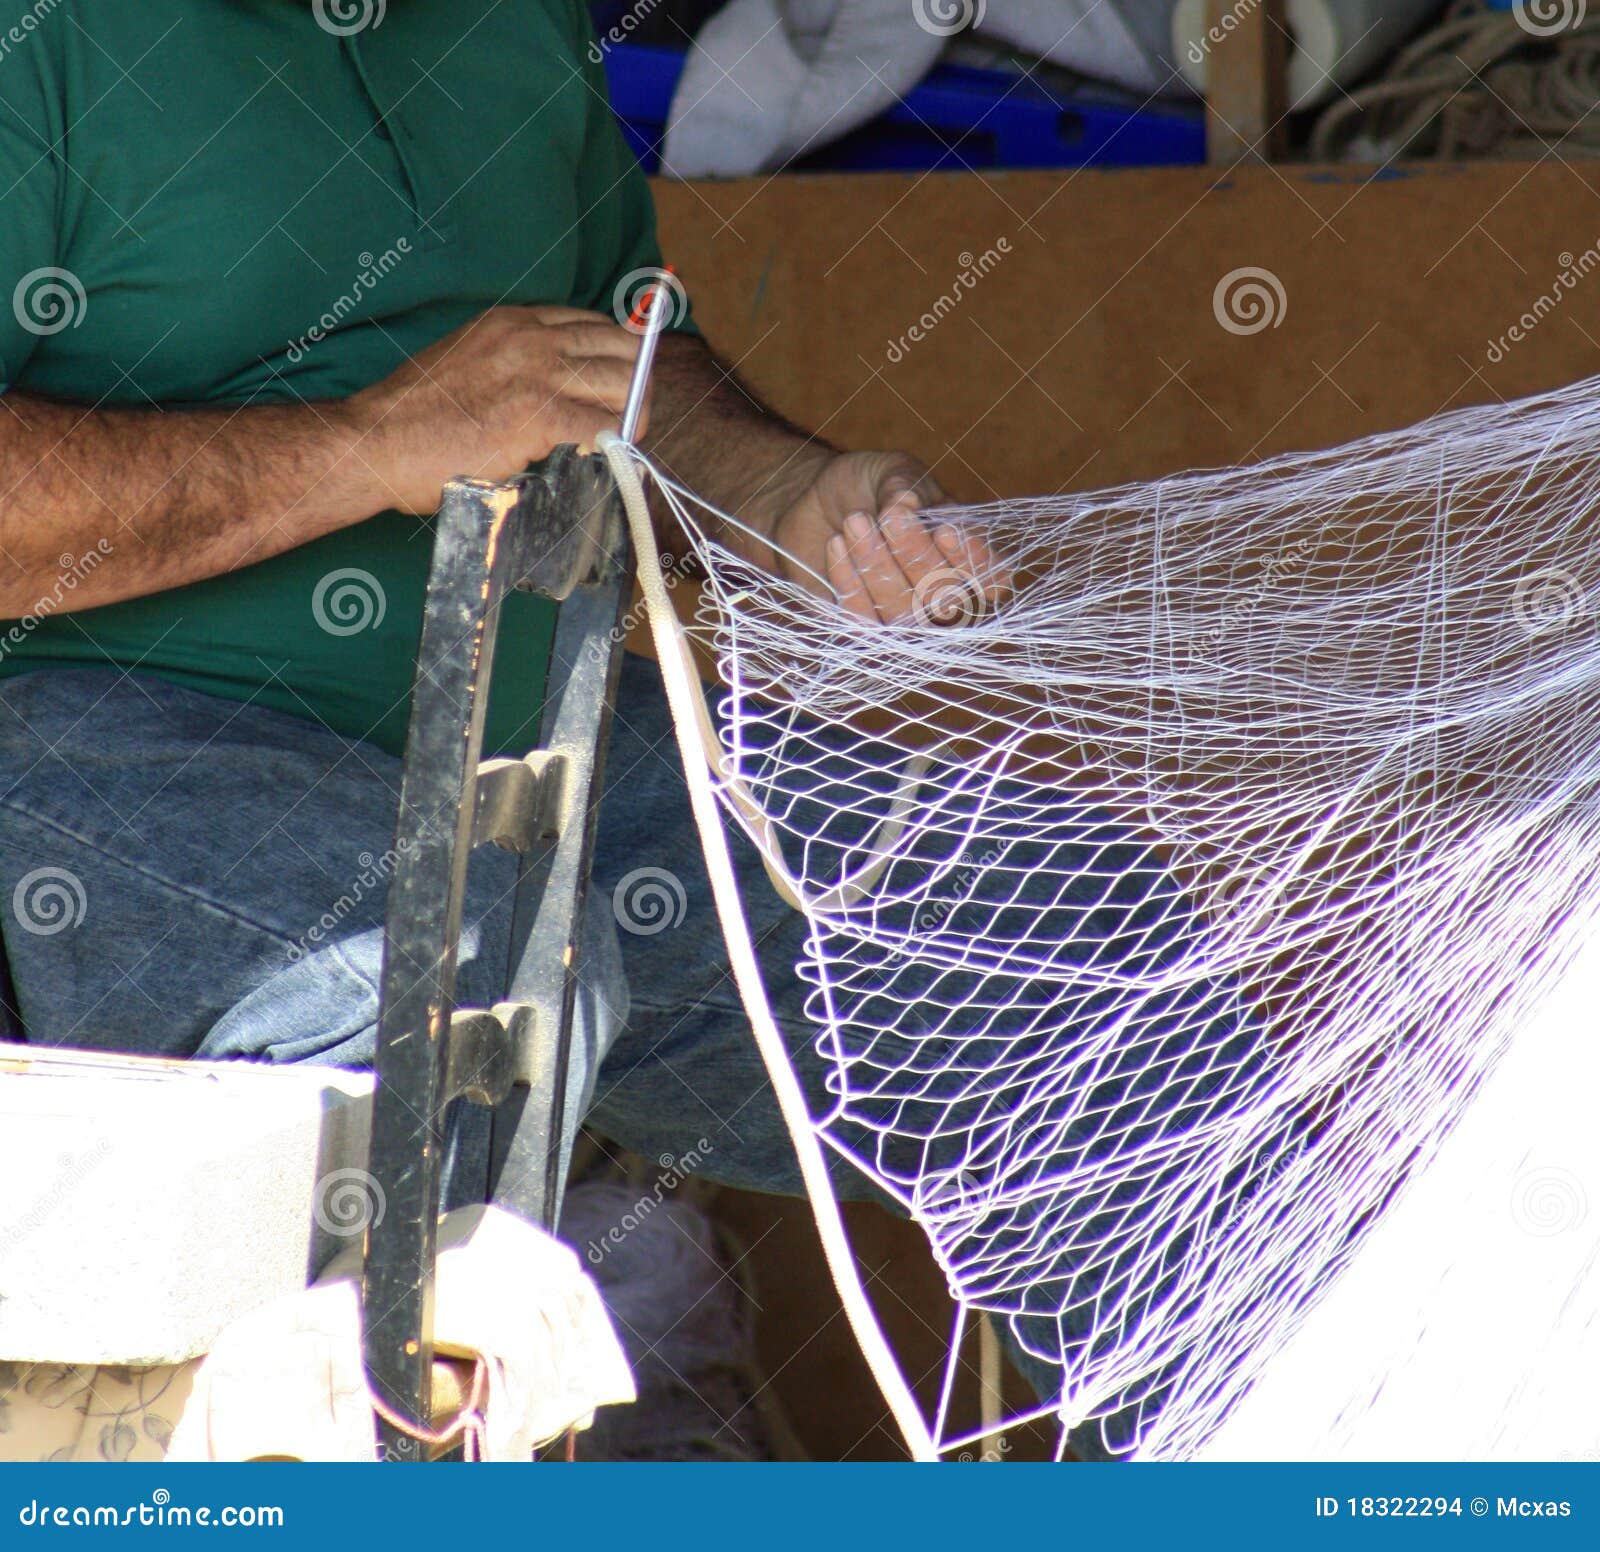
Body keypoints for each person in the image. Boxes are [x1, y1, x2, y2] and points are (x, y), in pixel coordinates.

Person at [0, 0, 1032, 1448]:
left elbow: (609, 359)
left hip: (545, 731)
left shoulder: (510, 24)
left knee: (1036, 926)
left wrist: (787, 491)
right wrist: (369, 448)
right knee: (456, 1018)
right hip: (108, 733)